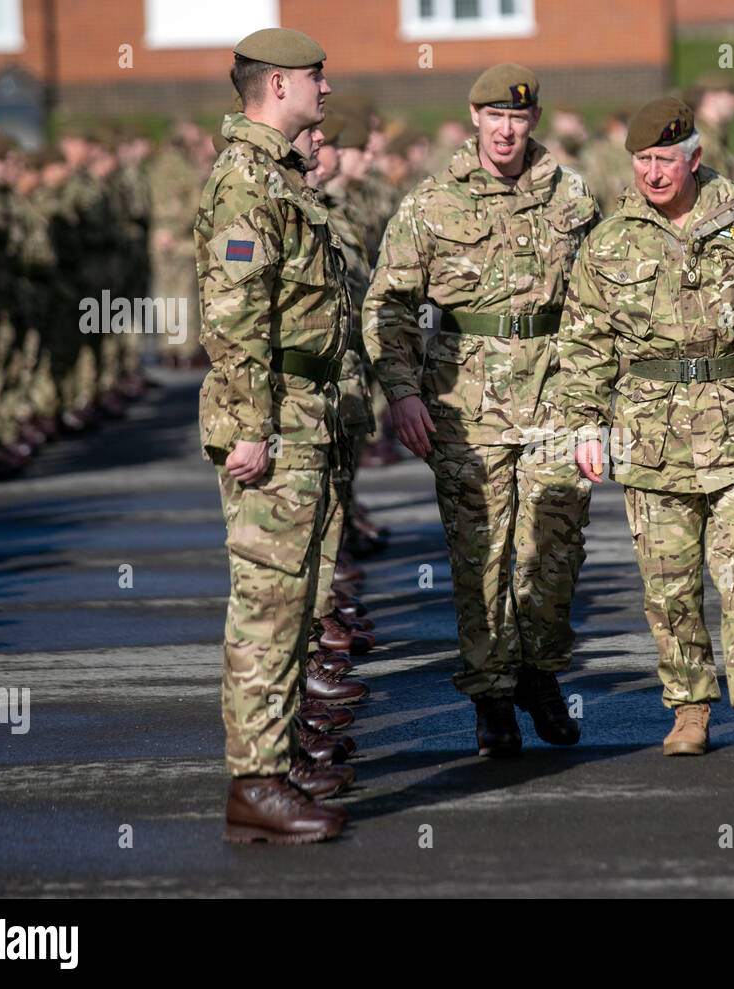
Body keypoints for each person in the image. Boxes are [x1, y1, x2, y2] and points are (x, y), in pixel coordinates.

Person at [558, 97, 734, 757]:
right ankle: (690, 708)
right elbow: (585, 344)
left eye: (665, 159)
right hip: (651, 435)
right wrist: (586, 426)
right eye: (642, 160)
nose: (652, 172)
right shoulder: (610, 242)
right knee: (669, 580)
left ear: (694, 158)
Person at [363, 63, 598, 757]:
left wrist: (598, 400)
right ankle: (491, 692)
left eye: (518, 118)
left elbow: (603, 300)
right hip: (466, 399)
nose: (505, 129)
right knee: (480, 550)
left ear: (534, 121)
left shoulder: (572, 197)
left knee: (554, 544)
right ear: (473, 119)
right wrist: (401, 392)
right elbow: (389, 304)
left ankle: (540, 671)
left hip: (557, 390)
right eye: (494, 116)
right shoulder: (433, 203)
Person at [194, 27, 355, 844]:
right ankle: (253, 784)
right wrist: (250, 427)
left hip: (305, 411)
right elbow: (234, 314)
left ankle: (278, 759)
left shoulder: (279, 176)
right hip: (275, 419)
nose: (326, 91)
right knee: (266, 604)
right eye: (317, 79)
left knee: (296, 603)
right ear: (281, 83)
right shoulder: (245, 181)